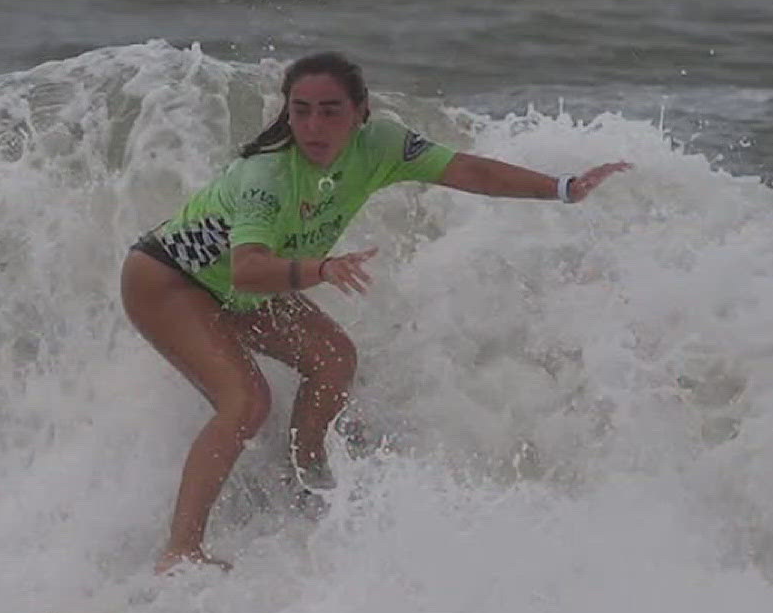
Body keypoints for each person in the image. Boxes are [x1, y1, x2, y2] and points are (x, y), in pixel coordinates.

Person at [122, 52, 631, 573]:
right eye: (301, 112)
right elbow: (247, 270)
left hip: (233, 285)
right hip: (168, 280)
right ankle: (180, 551)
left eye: (330, 111)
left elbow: (467, 169)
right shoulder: (268, 175)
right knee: (246, 401)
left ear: (361, 112)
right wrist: (320, 270)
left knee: (332, 358)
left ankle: (306, 483)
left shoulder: (383, 146)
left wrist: (564, 188)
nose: (314, 126)